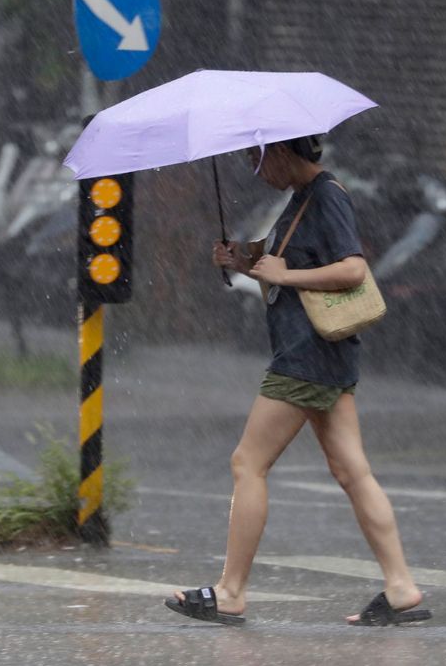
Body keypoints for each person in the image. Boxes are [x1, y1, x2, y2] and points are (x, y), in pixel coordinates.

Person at [165, 135, 431, 627]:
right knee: (352, 471)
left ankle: (231, 591)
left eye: (255, 157)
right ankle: (400, 587)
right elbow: (285, 262)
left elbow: (352, 269)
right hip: (323, 358)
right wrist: (241, 261)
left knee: (248, 462)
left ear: (283, 152)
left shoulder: (327, 195)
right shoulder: (302, 200)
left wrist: (285, 278)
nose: (253, 168)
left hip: (305, 357)